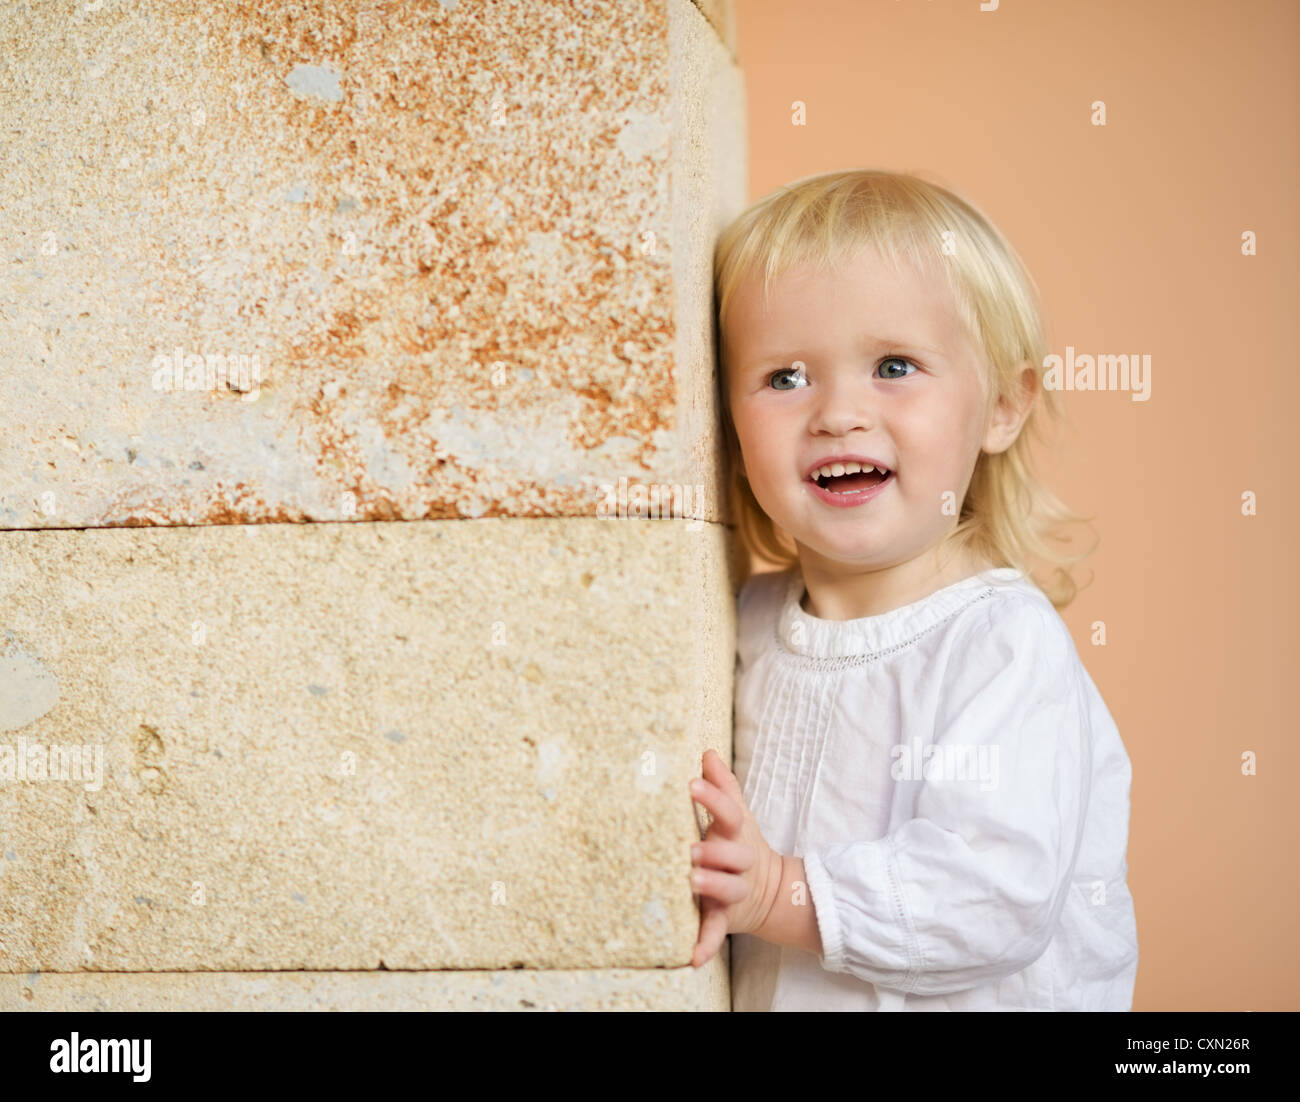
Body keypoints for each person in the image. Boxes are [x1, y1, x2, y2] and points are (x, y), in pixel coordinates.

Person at [686, 169, 1139, 1011]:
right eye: (785, 377)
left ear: (1003, 405)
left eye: (894, 365)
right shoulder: (747, 622)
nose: (838, 414)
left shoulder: (1001, 643)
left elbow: (997, 893)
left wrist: (779, 892)